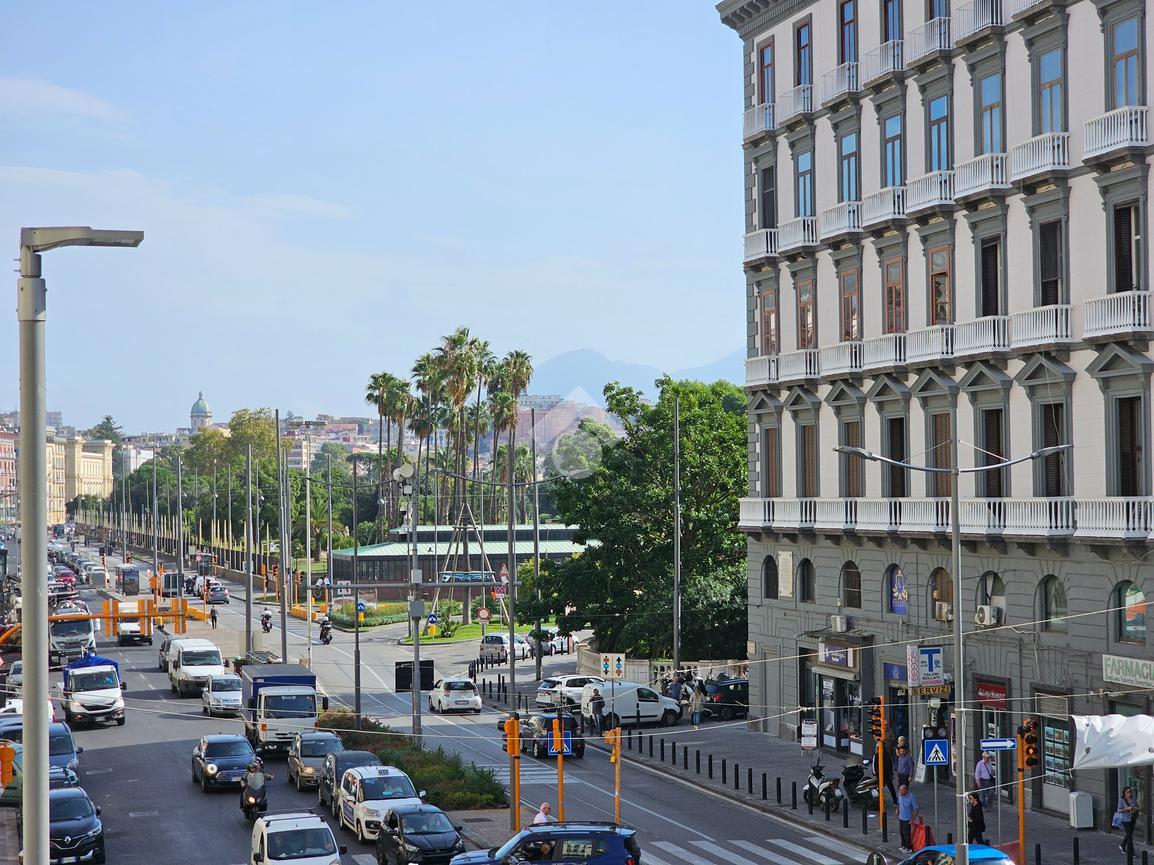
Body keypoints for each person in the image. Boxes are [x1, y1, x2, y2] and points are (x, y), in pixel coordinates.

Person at [897, 783, 919, 853]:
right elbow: (899, 803)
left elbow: (916, 809)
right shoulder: (900, 795)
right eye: (900, 791)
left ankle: (908, 847)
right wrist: (897, 809)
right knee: (901, 832)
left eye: (902, 791)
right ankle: (903, 845)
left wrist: (912, 820)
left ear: (906, 790)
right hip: (901, 817)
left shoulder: (911, 797)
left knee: (906, 833)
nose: (900, 792)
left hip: (907, 818)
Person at [1117, 786, 1139, 854]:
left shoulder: (1133, 799)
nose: (1129, 793)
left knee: (1129, 834)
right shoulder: (1122, 800)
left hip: (1132, 818)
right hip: (1125, 819)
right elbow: (1119, 810)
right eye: (1127, 792)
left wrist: (1135, 808)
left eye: (1130, 792)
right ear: (1124, 793)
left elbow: (1137, 806)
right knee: (1130, 836)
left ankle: (1122, 845)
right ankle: (1131, 852)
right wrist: (1127, 809)